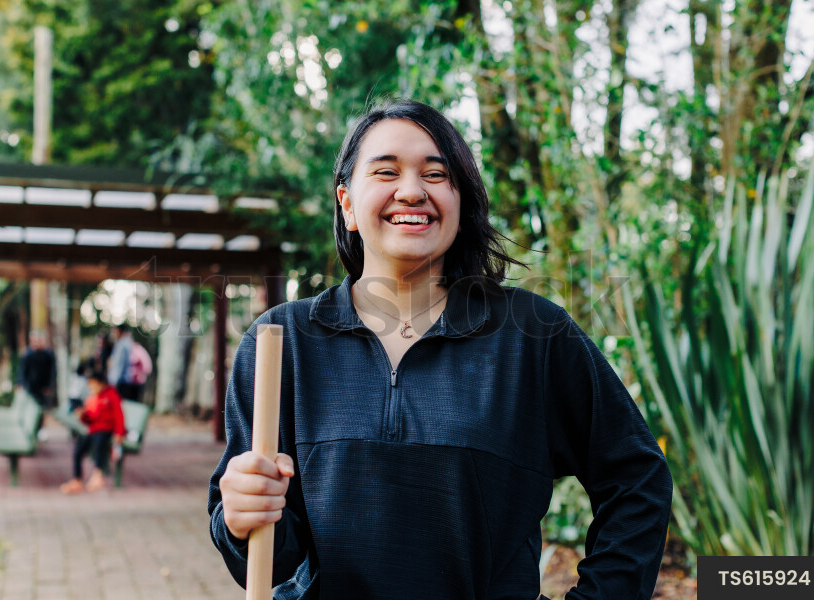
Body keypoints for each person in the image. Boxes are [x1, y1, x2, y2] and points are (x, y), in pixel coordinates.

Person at [208, 100, 673, 599]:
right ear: (347, 203)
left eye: (437, 174)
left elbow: (636, 479)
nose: (412, 191)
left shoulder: (533, 337)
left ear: (460, 202)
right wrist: (239, 518)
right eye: (386, 171)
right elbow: (270, 559)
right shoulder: (283, 341)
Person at [60, 370, 125, 494]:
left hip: (106, 430)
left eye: (94, 385)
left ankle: (98, 475)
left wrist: (119, 434)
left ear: (102, 384)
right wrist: (82, 415)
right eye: (90, 386)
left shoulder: (112, 395)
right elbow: (89, 418)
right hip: (93, 430)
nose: (92, 388)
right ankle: (77, 479)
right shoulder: (93, 398)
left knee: (99, 443)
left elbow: (119, 416)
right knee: (78, 449)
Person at [18, 330, 56, 410]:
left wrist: (49, 386)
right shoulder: (28, 354)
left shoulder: (48, 354)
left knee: (43, 409)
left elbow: (52, 371)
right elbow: (23, 370)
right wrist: (21, 383)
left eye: (39, 340)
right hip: (30, 387)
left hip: (43, 388)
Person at [107, 323, 144, 402]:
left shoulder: (122, 344)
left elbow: (119, 364)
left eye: (114, 331)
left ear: (119, 331)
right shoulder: (128, 342)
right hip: (125, 380)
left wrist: (114, 381)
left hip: (121, 381)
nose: (113, 334)